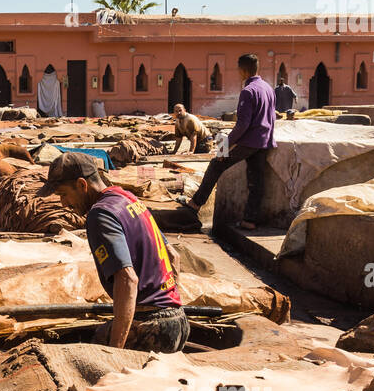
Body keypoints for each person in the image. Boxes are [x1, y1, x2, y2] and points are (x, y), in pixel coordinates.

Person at [41, 151, 188, 352]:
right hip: (179, 321)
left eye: (64, 194)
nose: (63, 204)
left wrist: (114, 352)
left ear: (82, 185)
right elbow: (173, 256)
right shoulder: (128, 198)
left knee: (83, 356)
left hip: (149, 327)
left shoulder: (100, 214)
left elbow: (127, 280)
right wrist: (172, 306)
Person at [178, 53, 277, 230]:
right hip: (265, 141)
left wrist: (224, 146)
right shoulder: (268, 88)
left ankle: (195, 204)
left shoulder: (248, 91)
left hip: (248, 142)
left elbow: (243, 124)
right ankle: (249, 220)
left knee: (216, 164)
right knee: (256, 180)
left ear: (243, 71)